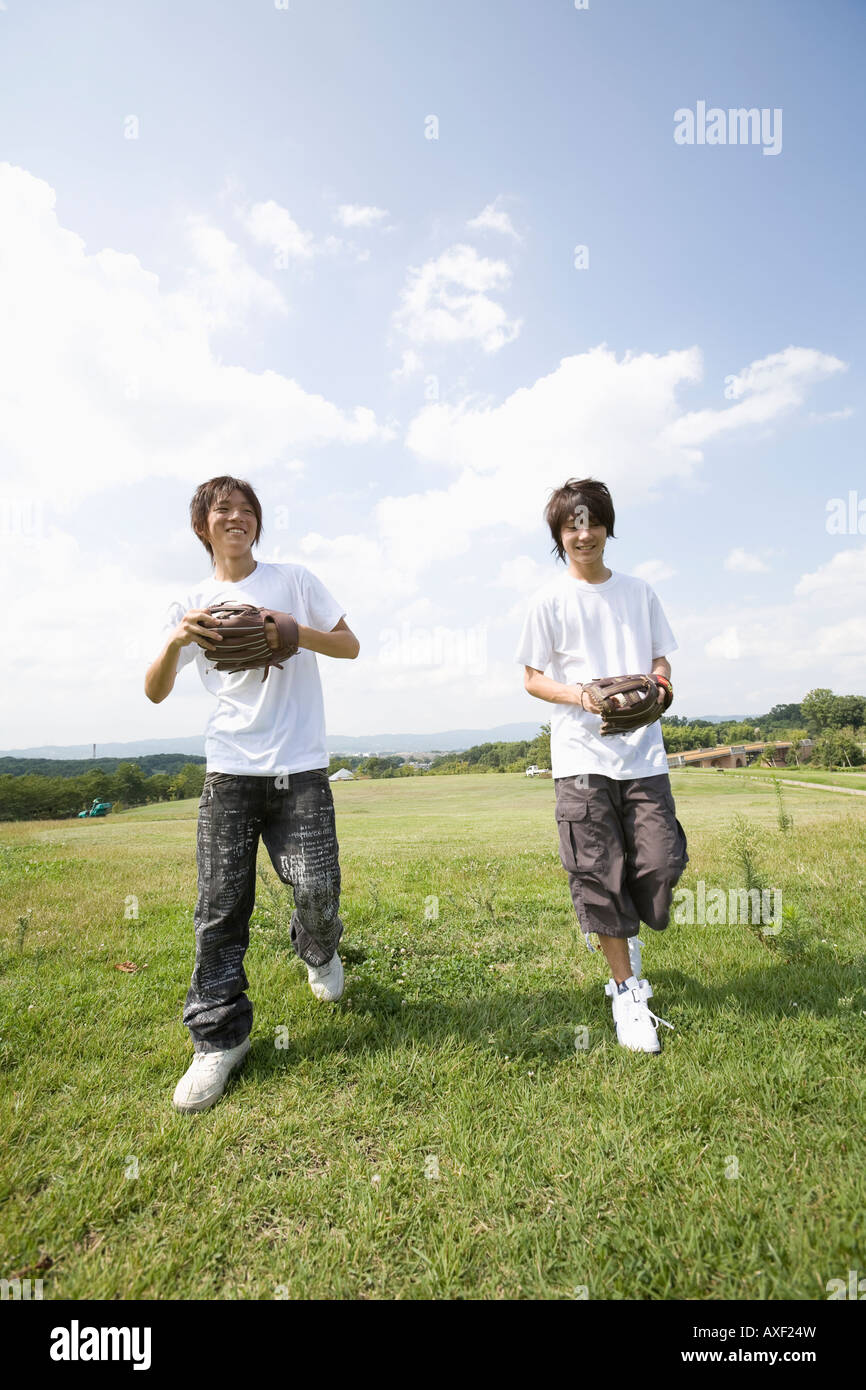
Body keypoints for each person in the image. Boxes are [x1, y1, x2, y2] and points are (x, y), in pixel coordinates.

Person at [145, 476, 359, 1111]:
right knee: (220, 908)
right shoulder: (192, 601)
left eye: (246, 510)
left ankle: (317, 948)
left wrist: (292, 630)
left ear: (258, 524)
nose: (235, 518)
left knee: (316, 886)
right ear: (202, 527)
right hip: (230, 768)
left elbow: (349, 646)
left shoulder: (294, 580)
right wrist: (179, 639)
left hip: (299, 766)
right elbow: (155, 690)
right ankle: (218, 1039)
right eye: (222, 510)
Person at [515, 477, 688, 1052]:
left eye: (592, 522)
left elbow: (660, 657)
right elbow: (533, 679)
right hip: (580, 757)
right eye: (571, 526)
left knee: (661, 861)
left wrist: (660, 684)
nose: (583, 533)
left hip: (643, 755)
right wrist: (583, 696)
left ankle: (624, 933)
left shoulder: (639, 592)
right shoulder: (548, 600)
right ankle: (626, 991)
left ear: (608, 528)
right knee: (598, 871)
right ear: (559, 537)